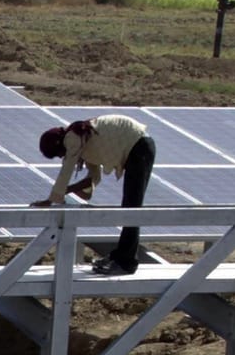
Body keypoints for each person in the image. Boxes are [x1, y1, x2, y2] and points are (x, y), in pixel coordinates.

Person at [32, 115, 157, 276]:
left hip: (139, 147)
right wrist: (73, 191)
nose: (62, 157)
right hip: (139, 147)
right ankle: (119, 256)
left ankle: (126, 263)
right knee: (129, 207)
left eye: (58, 154)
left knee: (131, 208)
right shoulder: (83, 140)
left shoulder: (72, 138)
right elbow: (93, 177)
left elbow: (66, 169)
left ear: (59, 144)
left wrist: (50, 200)